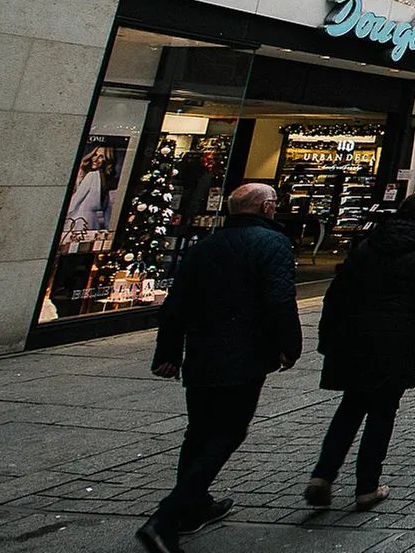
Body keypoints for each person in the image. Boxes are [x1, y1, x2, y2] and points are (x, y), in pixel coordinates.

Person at [139, 183, 300, 553]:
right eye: (274, 203)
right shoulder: (272, 243)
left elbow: (176, 303)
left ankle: (194, 507)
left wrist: (168, 352)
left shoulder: (204, 247)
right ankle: (167, 516)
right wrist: (289, 346)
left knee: (198, 431)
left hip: (201, 352)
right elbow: (279, 300)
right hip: (244, 354)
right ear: (267, 207)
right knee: (228, 432)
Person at [304, 192, 415, 513]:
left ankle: (323, 474)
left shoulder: (369, 243)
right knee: (382, 412)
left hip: (355, 336)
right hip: (398, 340)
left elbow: (337, 293)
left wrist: (327, 336)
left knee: (350, 407)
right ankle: (367, 487)